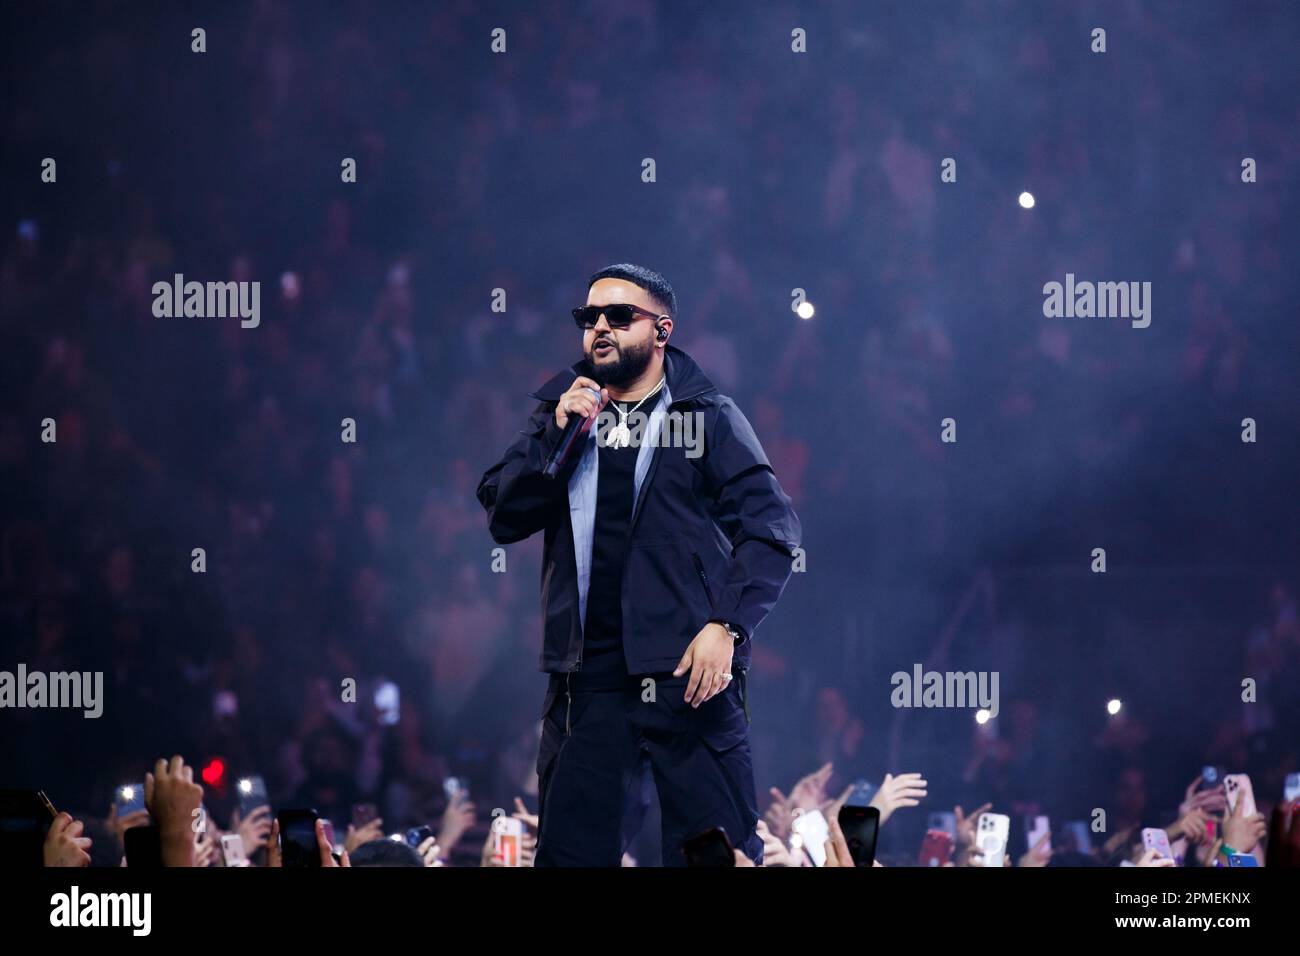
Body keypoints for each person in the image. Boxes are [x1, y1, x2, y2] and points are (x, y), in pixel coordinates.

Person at [477, 263, 801, 866]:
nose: (599, 326)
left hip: (689, 681)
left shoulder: (702, 416)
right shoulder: (561, 412)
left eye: (619, 316)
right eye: (589, 317)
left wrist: (727, 627)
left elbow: (772, 531)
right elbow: (505, 515)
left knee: (717, 858)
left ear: (662, 331)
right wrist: (555, 433)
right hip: (588, 686)